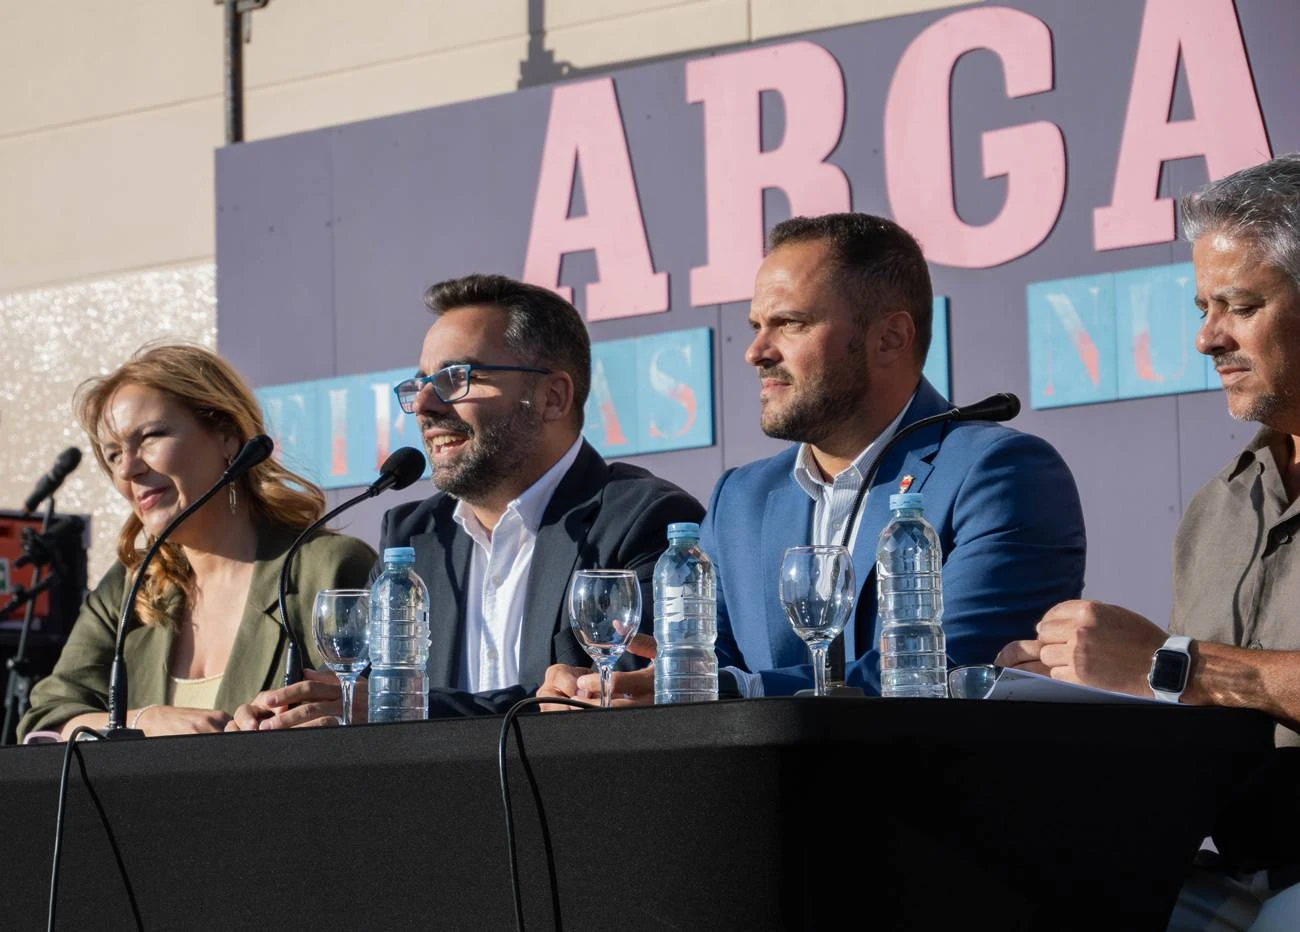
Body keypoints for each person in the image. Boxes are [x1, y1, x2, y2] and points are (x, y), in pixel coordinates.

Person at [541, 212, 1086, 705]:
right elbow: (700, 667)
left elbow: (943, 671)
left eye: (791, 323)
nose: (756, 352)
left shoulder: (1001, 472)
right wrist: (605, 688)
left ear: (890, 338)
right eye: (757, 326)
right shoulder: (740, 499)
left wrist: (738, 688)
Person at [994, 153, 1300, 932]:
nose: (1207, 338)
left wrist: (1173, 662)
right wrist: (1087, 691)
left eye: (1240, 305)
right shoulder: (1219, 506)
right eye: (1203, 305)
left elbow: (1194, 673)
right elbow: (1202, 719)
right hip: (1227, 871)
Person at [230, 274, 702, 728]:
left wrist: (397, 708)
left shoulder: (645, 520)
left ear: (552, 397)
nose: (425, 406)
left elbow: (616, 707)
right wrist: (298, 715)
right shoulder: (413, 537)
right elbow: (367, 702)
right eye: (419, 385)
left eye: (457, 379)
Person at [17, 343, 376, 741]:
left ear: (228, 437)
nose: (130, 469)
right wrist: (142, 721)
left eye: (151, 436)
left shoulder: (328, 569)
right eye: (114, 454)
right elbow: (45, 720)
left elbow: (390, 716)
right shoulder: (128, 589)